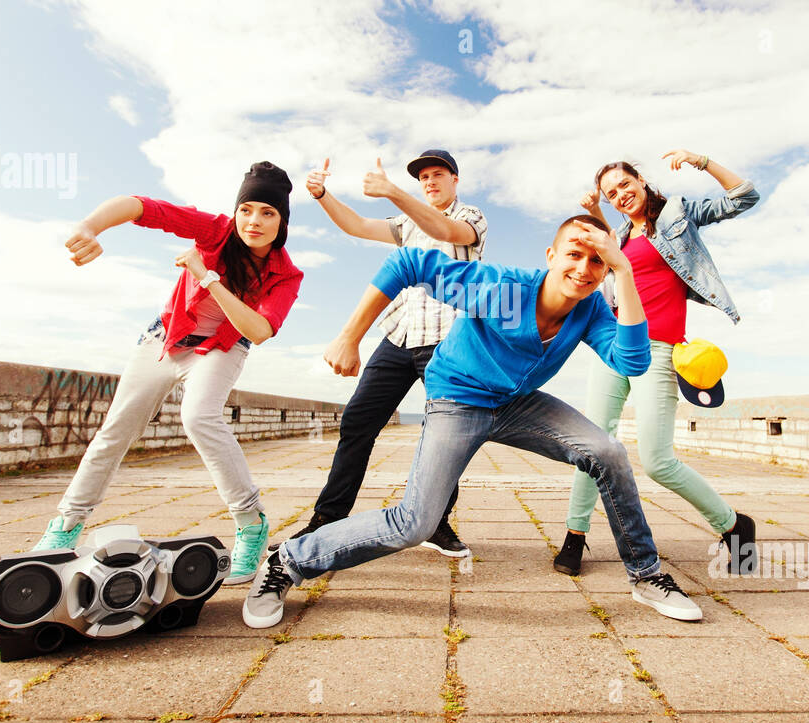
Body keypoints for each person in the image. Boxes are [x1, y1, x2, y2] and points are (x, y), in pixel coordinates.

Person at [242, 215, 706, 630]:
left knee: (607, 451)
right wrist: (349, 338)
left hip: (517, 401)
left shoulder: (590, 309)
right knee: (416, 523)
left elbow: (632, 361)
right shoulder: (502, 289)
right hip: (459, 399)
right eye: (574, 255)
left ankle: (646, 576)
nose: (584, 269)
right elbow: (406, 264)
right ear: (551, 255)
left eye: (597, 262)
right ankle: (289, 562)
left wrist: (624, 271)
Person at [29, 162, 303, 589]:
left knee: (198, 417)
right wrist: (89, 226)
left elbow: (259, 330)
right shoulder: (213, 230)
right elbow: (140, 206)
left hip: (224, 346)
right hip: (166, 339)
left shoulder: (285, 274)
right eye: (247, 209)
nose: (254, 221)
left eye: (268, 213)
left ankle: (251, 524)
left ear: (282, 221)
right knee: (117, 428)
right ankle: (66, 523)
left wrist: (208, 277)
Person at [554, 149, 759, 577]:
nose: (621, 194)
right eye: (611, 193)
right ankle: (575, 535)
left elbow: (744, 196)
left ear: (641, 180)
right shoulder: (624, 238)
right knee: (591, 443)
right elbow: (620, 262)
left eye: (625, 185)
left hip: (661, 349)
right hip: (615, 345)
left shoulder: (677, 216)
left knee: (657, 460)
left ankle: (734, 525)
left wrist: (702, 161)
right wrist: (594, 215)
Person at [292, 150, 487, 557]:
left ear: (455, 179)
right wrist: (322, 194)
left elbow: (449, 232)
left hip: (448, 340)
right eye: (424, 178)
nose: (430, 182)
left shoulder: (472, 216)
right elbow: (358, 225)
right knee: (358, 421)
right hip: (398, 336)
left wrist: (393, 192)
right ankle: (327, 520)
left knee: (444, 436)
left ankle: (435, 522)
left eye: (438, 175)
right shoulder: (405, 223)